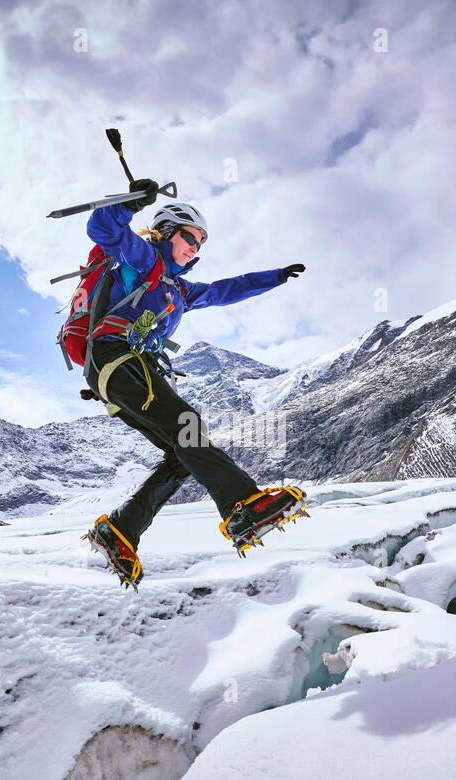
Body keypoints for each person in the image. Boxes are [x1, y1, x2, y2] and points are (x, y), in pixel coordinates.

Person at [81, 177, 309, 587]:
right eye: (191, 236)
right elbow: (103, 230)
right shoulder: (143, 258)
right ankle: (243, 505)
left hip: (121, 370)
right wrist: (131, 204)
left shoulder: (179, 289)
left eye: (202, 242)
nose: (196, 247)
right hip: (116, 357)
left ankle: (120, 530)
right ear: (168, 231)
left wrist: (273, 276)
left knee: (179, 453)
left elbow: (225, 290)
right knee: (187, 424)